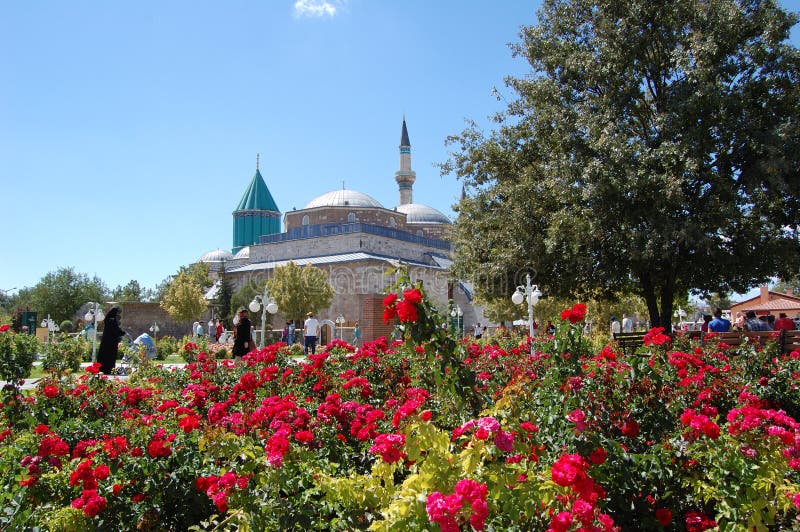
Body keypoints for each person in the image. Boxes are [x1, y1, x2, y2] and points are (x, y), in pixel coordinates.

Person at [97, 307, 126, 375]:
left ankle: (102, 369)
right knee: (110, 356)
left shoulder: (107, 320)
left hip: (105, 342)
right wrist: (123, 332)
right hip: (111, 342)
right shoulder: (112, 320)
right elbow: (116, 330)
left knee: (104, 355)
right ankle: (109, 369)